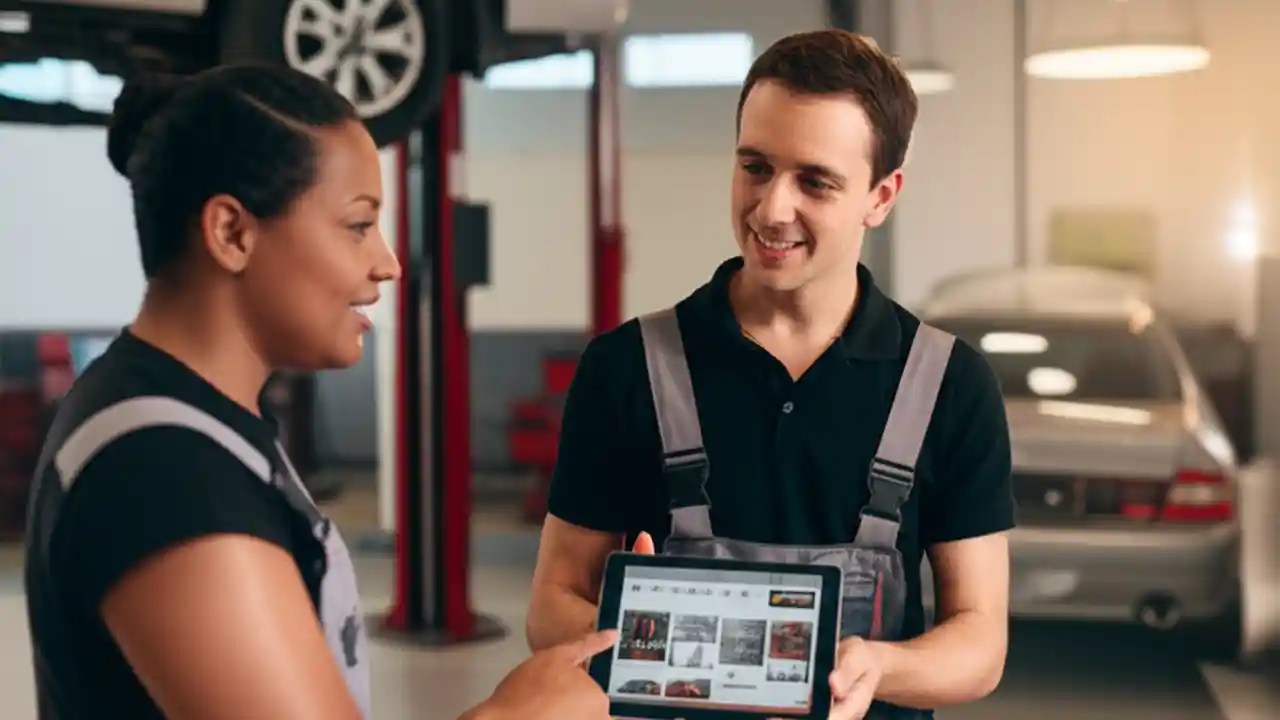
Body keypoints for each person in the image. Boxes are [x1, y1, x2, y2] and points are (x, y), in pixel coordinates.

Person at [22, 64, 615, 720]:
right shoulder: (164, 472)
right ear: (232, 233)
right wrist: (514, 716)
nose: (386, 263)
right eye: (359, 225)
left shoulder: (190, 425)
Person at [527, 29, 1015, 720]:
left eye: (814, 181)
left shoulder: (948, 385)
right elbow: (552, 602)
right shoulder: (627, 368)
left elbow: (980, 643)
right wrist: (643, 633)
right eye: (756, 167)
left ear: (881, 196)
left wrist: (877, 665)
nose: (771, 209)